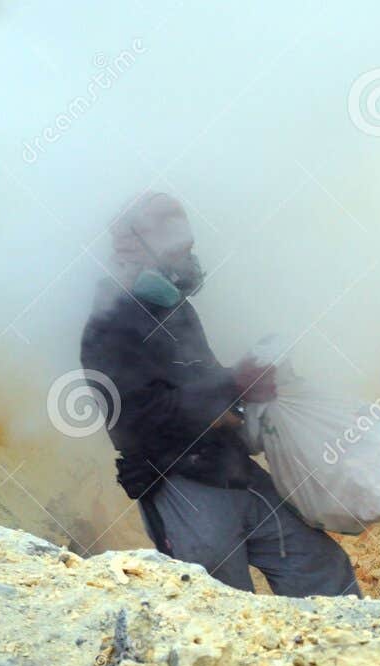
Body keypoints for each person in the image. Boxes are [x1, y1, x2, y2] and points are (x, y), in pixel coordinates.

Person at [79, 192, 359, 598]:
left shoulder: (174, 309)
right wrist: (234, 384)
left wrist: (248, 395)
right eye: (176, 250)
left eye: (187, 248)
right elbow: (137, 420)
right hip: (183, 487)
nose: (186, 261)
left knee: (321, 568)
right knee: (223, 606)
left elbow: (201, 386)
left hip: (231, 469)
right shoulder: (110, 326)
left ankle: (348, 658)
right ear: (128, 247)